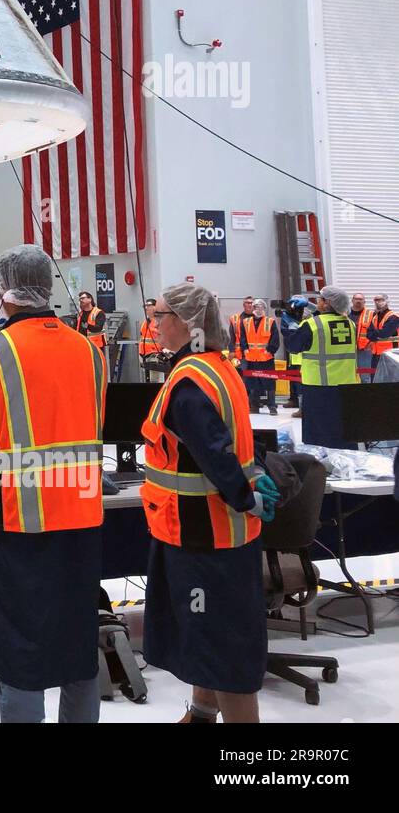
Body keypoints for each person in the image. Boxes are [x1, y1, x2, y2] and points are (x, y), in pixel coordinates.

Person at [0, 245, 107, 723]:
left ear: (6, 289)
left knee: (18, 644)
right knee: (77, 639)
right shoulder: (88, 349)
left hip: (14, 519)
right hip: (81, 517)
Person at [140, 283, 279, 723]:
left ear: (185, 321)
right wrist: (252, 483)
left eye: (160, 315)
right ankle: (201, 713)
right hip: (219, 532)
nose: (154, 324)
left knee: (221, 644)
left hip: (202, 534)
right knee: (210, 633)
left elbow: (217, 452)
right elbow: (236, 442)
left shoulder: (189, 383)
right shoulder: (219, 367)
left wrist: (243, 493)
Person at [279, 285, 358, 447]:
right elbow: (330, 319)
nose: (318, 302)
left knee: (318, 431)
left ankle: (320, 464)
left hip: (318, 385)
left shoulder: (312, 325)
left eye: (320, 300)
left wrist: (291, 325)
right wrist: (309, 306)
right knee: (342, 428)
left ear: (328, 303)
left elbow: (293, 346)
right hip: (346, 386)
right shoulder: (350, 324)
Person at [238, 299, 281, 415]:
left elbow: (275, 340)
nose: (259, 309)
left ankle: (272, 407)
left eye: (261, 307)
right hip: (251, 359)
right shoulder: (246, 322)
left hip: (266, 359)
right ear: (253, 308)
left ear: (265, 309)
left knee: (270, 383)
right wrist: (245, 350)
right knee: (252, 383)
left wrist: (269, 351)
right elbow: (242, 339)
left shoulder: (270, 322)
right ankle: (254, 406)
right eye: (256, 307)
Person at [366, 293, 398, 377]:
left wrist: (374, 333)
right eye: (376, 300)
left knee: (388, 378)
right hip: (376, 354)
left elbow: (385, 333)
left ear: (387, 301)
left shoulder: (393, 317)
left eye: (380, 300)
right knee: (375, 377)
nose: (377, 302)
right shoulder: (375, 317)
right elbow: (368, 334)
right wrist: (376, 333)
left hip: (390, 354)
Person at [349, 293, 373, 381]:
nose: (358, 301)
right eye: (356, 299)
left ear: (364, 302)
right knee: (348, 373)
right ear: (352, 300)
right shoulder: (344, 313)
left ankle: (366, 394)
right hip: (347, 348)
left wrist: (371, 343)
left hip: (364, 349)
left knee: (364, 375)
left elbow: (376, 331)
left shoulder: (371, 314)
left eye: (361, 299)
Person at [228, 296, 255, 371]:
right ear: (244, 305)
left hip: (256, 356)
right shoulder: (236, 319)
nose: (250, 305)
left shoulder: (259, 319)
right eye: (248, 303)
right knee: (242, 377)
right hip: (241, 356)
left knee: (255, 379)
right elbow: (232, 337)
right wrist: (231, 351)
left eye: (252, 303)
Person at [139, 297, 163, 376]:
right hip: (144, 356)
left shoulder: (160, 321)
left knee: (155, 380)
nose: (146, 309)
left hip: (155, 356)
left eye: (148, 307)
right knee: (147, 380)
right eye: (145, 307)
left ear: (154, 308)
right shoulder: (146, 322)